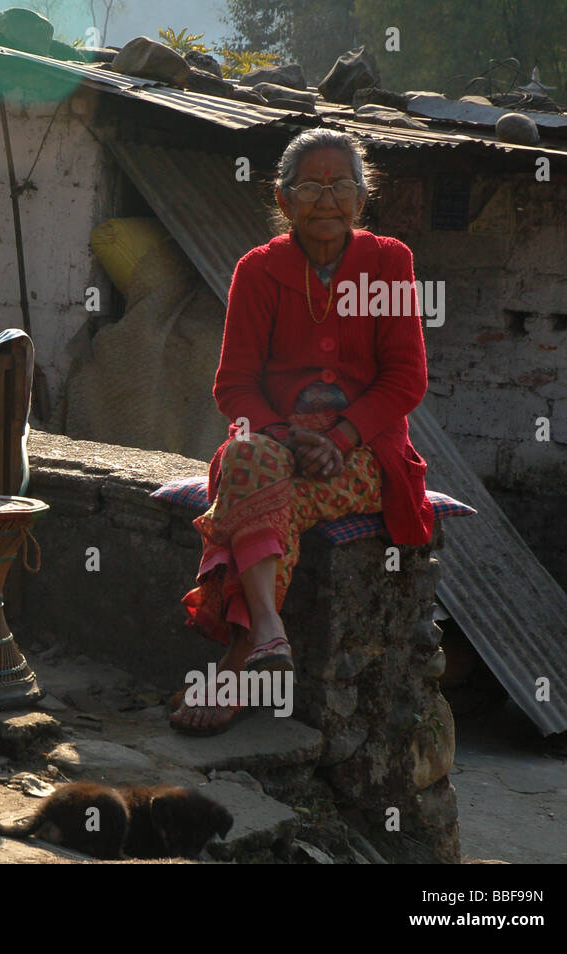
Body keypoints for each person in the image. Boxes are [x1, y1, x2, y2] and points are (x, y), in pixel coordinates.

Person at [170, 128, 435, 735]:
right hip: (274, 442)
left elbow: (405, 379)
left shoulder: (389, 263)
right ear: (284, 199)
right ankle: (266, 632)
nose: (327, 200)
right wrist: (284, 434)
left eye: (341, 185)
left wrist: (340, 437)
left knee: (257, 488)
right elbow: (233, 385)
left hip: (364, 449)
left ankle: (243, 657)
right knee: (252, 460)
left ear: (361, 198)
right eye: (311, 187)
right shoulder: (258, 271)